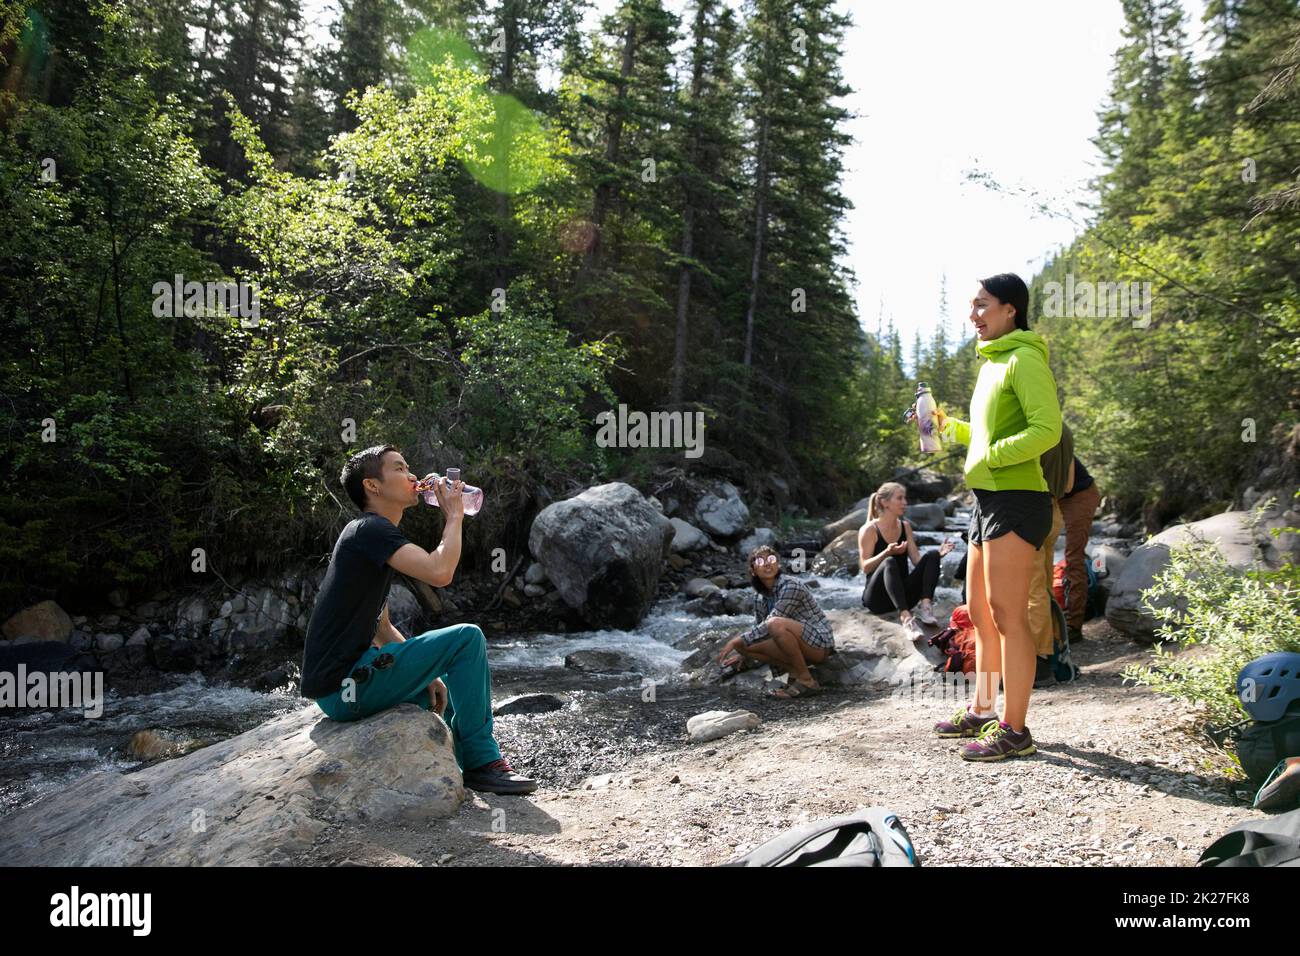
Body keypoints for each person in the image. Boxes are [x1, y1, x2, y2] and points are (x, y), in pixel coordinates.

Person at [300, 444, 536, 795]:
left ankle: (463, 760)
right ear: (373, 486)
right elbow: (440, 572)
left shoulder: (369, 535)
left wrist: (430, 676)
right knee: (466, 639)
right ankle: (482, 764)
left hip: (346, 686)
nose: (412, 475)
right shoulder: (369, 530)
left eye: (409, 467)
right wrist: (454, 516)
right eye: (398, 468)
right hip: (344, 686)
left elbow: (380, 628)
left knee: (441, 692)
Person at [931, 273, 1062, 762]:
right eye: (972, 306)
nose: (974, 315)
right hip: (986, 500)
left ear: (1011, 309)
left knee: (1010, 618)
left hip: (1017, 499)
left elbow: (1046, 429)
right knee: (980, 614)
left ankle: (1016, 728)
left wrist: (994, 457)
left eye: (983, 305)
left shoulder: (1025, 358)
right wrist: (945, 426)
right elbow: (984, 436)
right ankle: (984, 709)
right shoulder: (991, 365)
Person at [717, 545, 836, 700]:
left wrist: (735, 640)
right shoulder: (759, 597)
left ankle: (806, 681)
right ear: (753, 570)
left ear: (778, 564)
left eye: (771, 559)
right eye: (760, 561)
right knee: (743, 645)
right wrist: (743, 654)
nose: (767, 563)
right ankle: (796, 672)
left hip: (818, 644)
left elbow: (772, 622)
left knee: (774, 624)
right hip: (795, 644)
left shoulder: (791, 585)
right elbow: (759, 629)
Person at [857, 481, 955, 633]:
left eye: (905, 498)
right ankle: (905, 618)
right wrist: (887, 552)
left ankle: (926, 608)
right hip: (877, 600)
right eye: (900, 498)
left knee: (933, 554)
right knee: (889, 561)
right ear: (885, 502)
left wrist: (937, 557)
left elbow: (916, 560)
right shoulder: (869, 529)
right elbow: (865, 567)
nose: (905, 503)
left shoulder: (905, 526)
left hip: (903, 596)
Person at [1029, 420, 1075, 687]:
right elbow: (1068, 485)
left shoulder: (1034, 427)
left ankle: (1039, 659)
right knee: (1043, 585)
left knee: (1031, 590)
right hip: (1053, 510)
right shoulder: (1064, 430)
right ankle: (1053, 650)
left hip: (1032, 510)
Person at [1058, 454, 1100, 645]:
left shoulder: (1043, 437)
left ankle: (1074, 625)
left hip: (1079, 496)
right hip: (1057, 496)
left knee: (1073, 558)